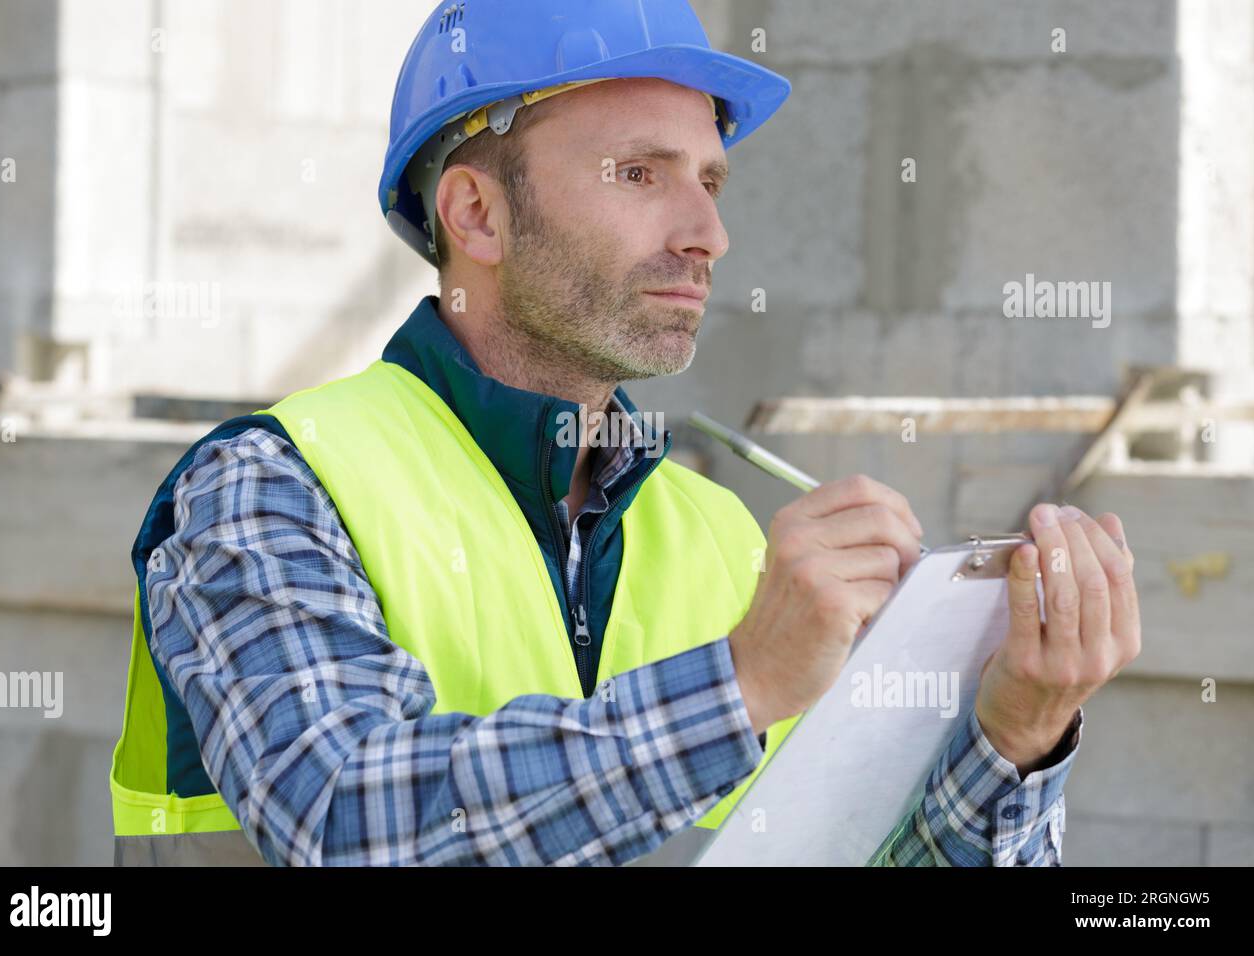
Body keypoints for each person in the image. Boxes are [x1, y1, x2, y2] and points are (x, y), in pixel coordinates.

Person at [109, 0, 1140, 866]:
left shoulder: (721, 536)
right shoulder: (272, 484)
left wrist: (1013, 736)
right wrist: (740, 682)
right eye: (640, 175)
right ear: (475, 215)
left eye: (710, 180)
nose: (707, 235)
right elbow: (341, 812)